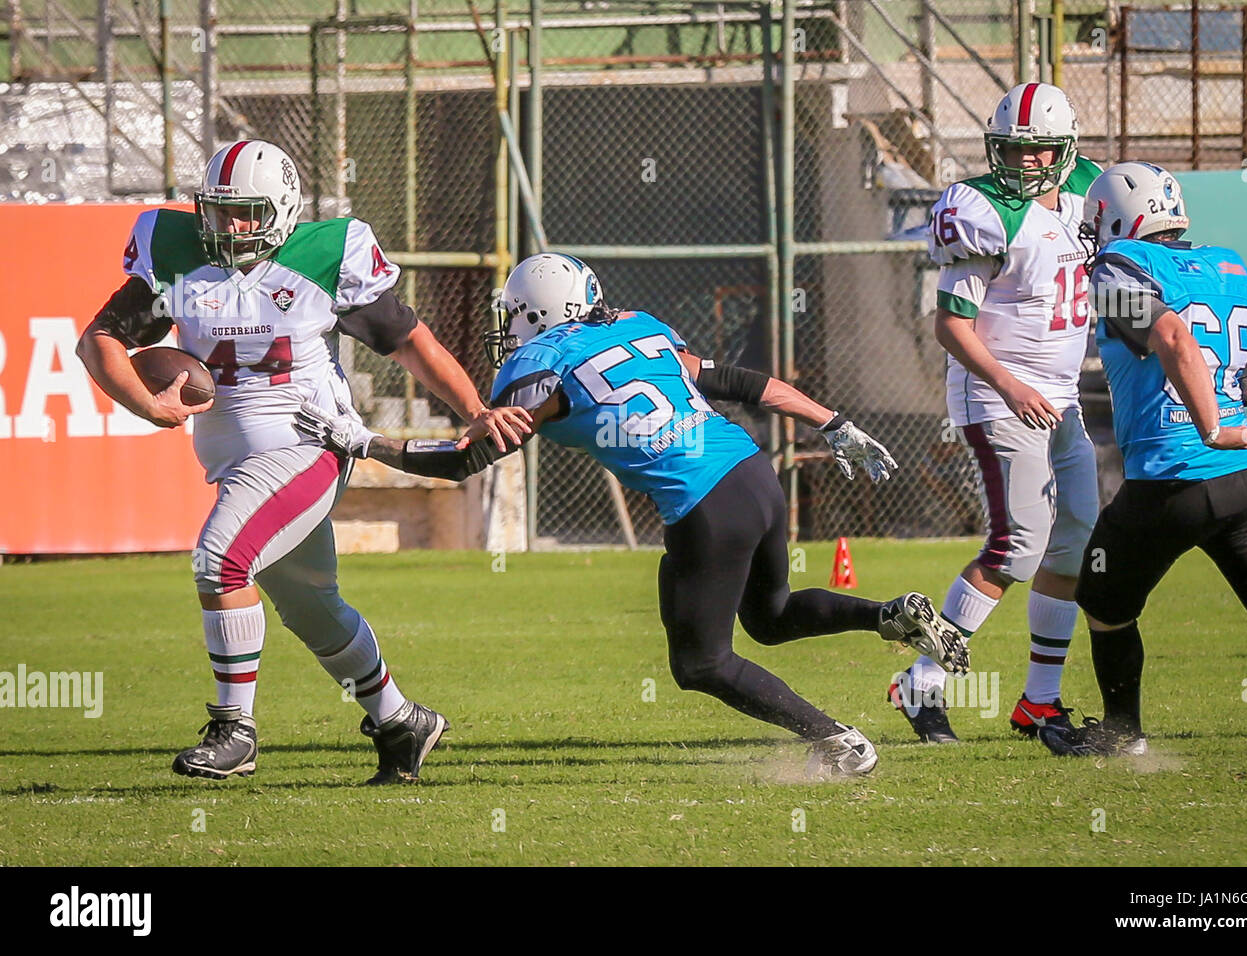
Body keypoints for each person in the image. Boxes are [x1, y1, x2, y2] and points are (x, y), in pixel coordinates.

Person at [296, 253, 971, 777]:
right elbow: (738, 381)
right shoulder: (641, 328)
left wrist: (365, 442)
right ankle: (889, 616)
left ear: (533, 314)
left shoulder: (538, 365)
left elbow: (465, 461)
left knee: (700, 663)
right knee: (769, 616)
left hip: (704, 505)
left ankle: (838, 742)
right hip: (754, 474)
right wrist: (833, 421)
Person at [77, 140, 530, 784]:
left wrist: (474, 409)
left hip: (307, 444)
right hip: (236, 464)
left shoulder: (324, 255)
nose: (228, 228)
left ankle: (235, 730)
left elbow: (408, 341)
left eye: (247, 214)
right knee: (314, 609)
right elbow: (99, 340)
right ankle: (403, 722)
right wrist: (145, 404)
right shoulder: (176, 253)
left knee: (220, 560)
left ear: (283, 211)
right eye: (219, 211)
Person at [1039, 162, 1247, 757]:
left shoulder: (1115, 268)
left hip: (1171, 480)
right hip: (1244, 480)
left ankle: (1122, 736)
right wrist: (1225, 420)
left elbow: (1177, 339)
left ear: (1116, 218)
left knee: (1103, 602)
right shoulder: (1225, 266)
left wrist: (1210, 428)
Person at [895, 82, 1104, 743]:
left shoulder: (1090, 193)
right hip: (998, 393)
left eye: (1040, 152)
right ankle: (922, 683)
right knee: (1018, 546)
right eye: (1013, 150)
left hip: (1060, 397)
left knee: (1074, 537)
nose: (1025, 164)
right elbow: (951, 326)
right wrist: (1011, 385)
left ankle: (1040, 700)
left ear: (1066, 151)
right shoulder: (982, 209)